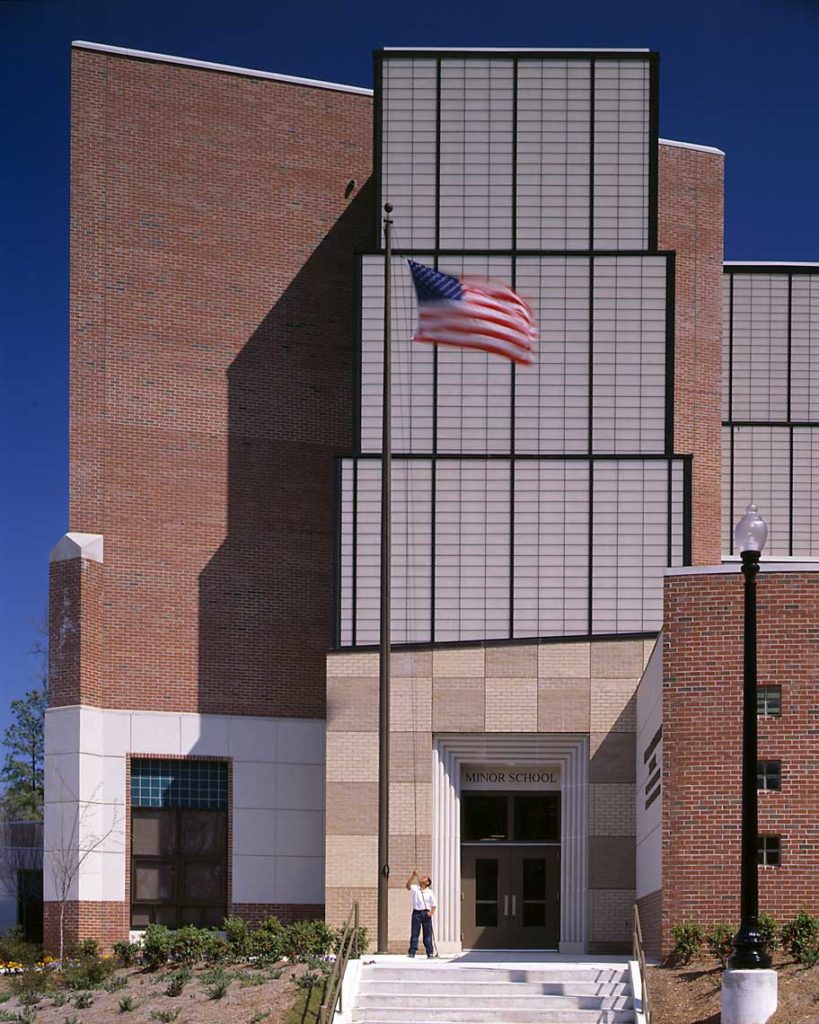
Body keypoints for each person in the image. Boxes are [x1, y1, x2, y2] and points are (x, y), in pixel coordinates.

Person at [405, 867, 437, 958]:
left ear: (427, 883)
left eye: (425, 878)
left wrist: (431, 913)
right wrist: (413, 876)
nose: (422, 878)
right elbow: (407, 886)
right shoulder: (416, 888)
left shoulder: (429, 892)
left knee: (427, 934)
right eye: (422, 877)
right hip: (416, 913)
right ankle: (412, 952)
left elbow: (434, 904)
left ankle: (430, 952)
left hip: (425, 913)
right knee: (414, 933)